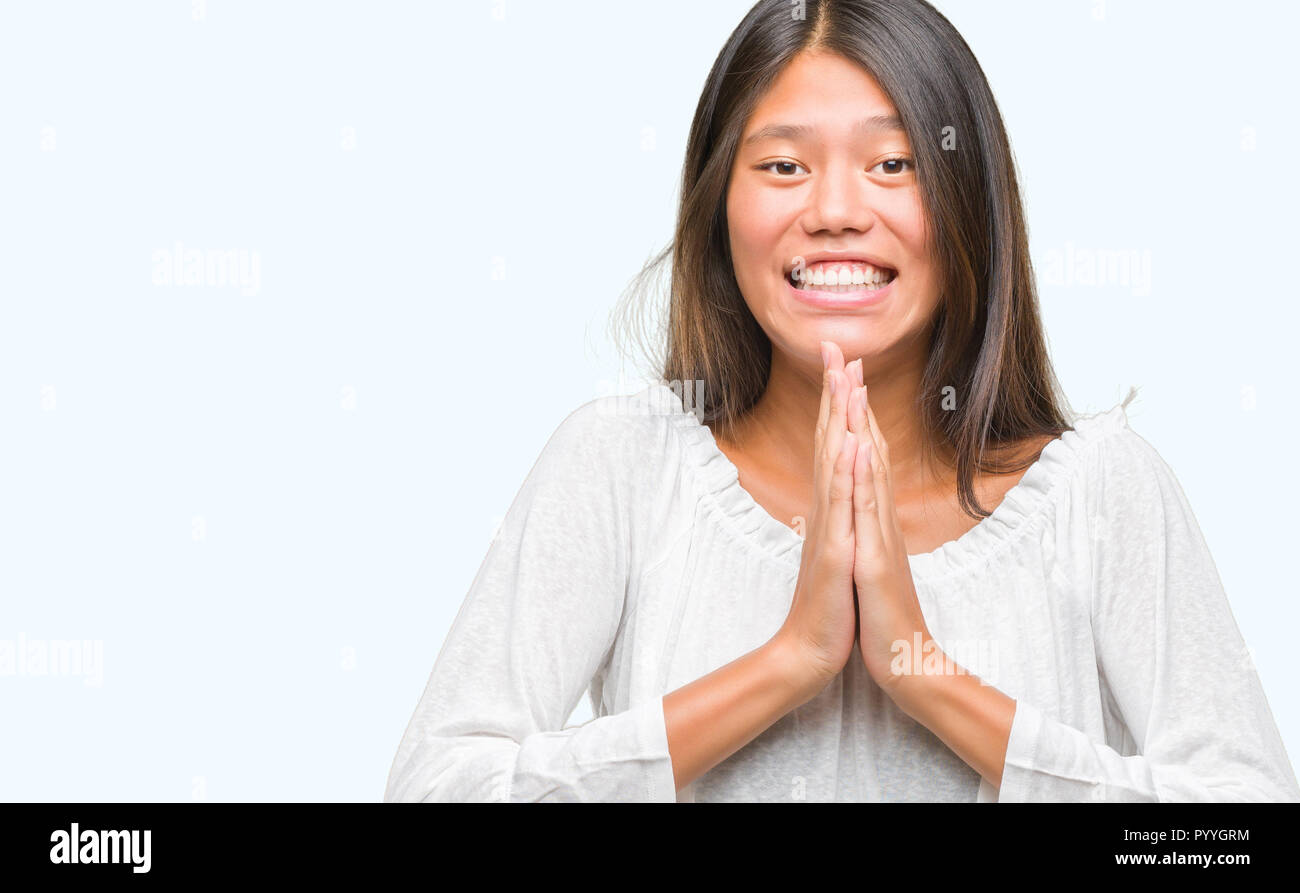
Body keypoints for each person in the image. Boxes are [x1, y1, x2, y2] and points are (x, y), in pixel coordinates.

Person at [384, 0, 1300, 802]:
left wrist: (926, 672)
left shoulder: (1103, 492)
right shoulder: (619, 465)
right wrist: (787, 663)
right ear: (719, 208)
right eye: (782, 166)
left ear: (968, 201)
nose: (833, 210)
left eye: (894, 163)